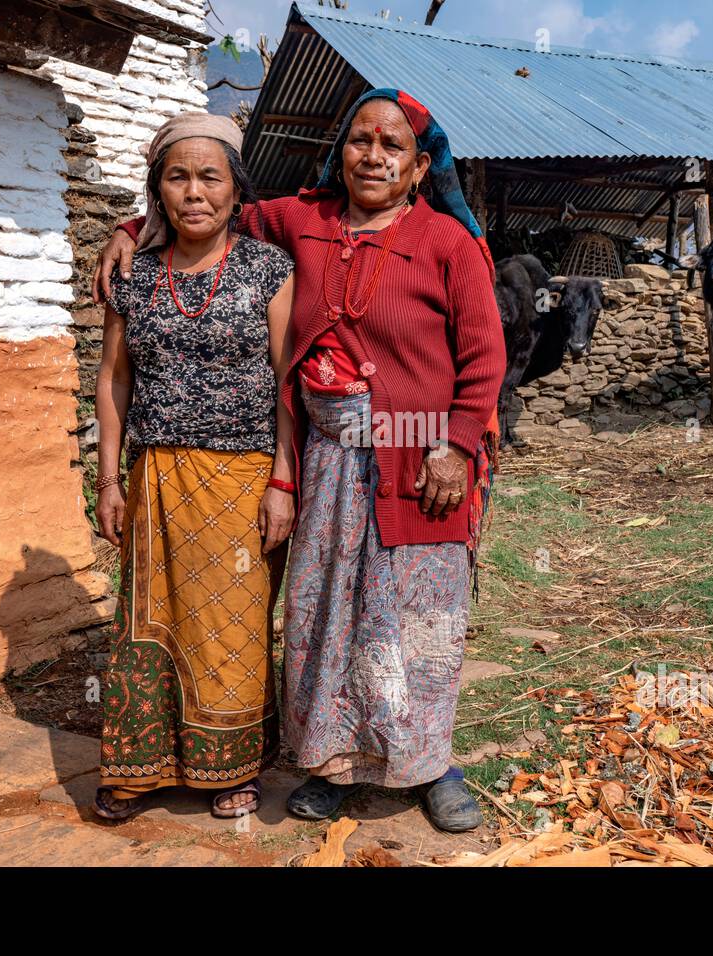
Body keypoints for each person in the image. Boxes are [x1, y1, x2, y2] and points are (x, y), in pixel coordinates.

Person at [94, 90, 505, 832]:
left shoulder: (448, 244)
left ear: (418, 169)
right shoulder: (303, 221)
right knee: (323, 615)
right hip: (327, 460)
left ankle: (430, 765)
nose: (372, 155)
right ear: (339, 152)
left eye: (392, 146)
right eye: (358, 140)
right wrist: (129, 229)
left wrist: (458, 444)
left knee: (417, 620)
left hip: (421, 460)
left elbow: (484, 356)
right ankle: (334, 765)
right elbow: (209, 204)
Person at [92, 113, 295, 821]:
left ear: (238, 192)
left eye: (211, 177)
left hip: (241, 479)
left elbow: (287, 383)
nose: (194, 192)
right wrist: (109, 478)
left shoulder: (269, 268)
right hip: (154, 475)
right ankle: (141, 765)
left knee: (229, 626)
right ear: (158, 192)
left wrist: (282, 483)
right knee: (147, 622)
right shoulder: (134, 274)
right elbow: (114, 381)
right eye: (177, 177)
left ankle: (227, 767)